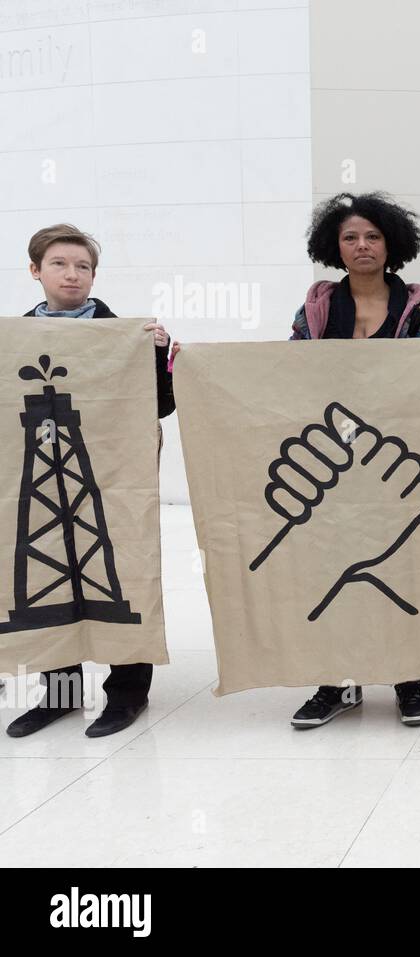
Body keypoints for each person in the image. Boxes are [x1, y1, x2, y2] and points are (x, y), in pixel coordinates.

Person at [282, 191, 420, 729]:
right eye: (351, 237)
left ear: (392, 244)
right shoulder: (314, 310)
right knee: (329, 570)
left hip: (394, 462)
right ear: (334, 246)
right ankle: (334, 683)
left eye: (373, 236)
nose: (362, 246)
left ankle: (409, 680)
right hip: (330, 466)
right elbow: (284, 372)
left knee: (400, 567)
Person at [6, 224, 173, 739]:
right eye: (59, 264)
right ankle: (58, 693)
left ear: (94, 275)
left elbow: (161, 406)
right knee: (42, 569)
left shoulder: (125, 335)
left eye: (82, 266)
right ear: (36, 271)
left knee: (123, 562)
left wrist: (159, 358)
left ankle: (126, 696)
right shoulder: (12, 340)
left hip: (115, 474)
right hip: (29, 462)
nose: (71, 274)